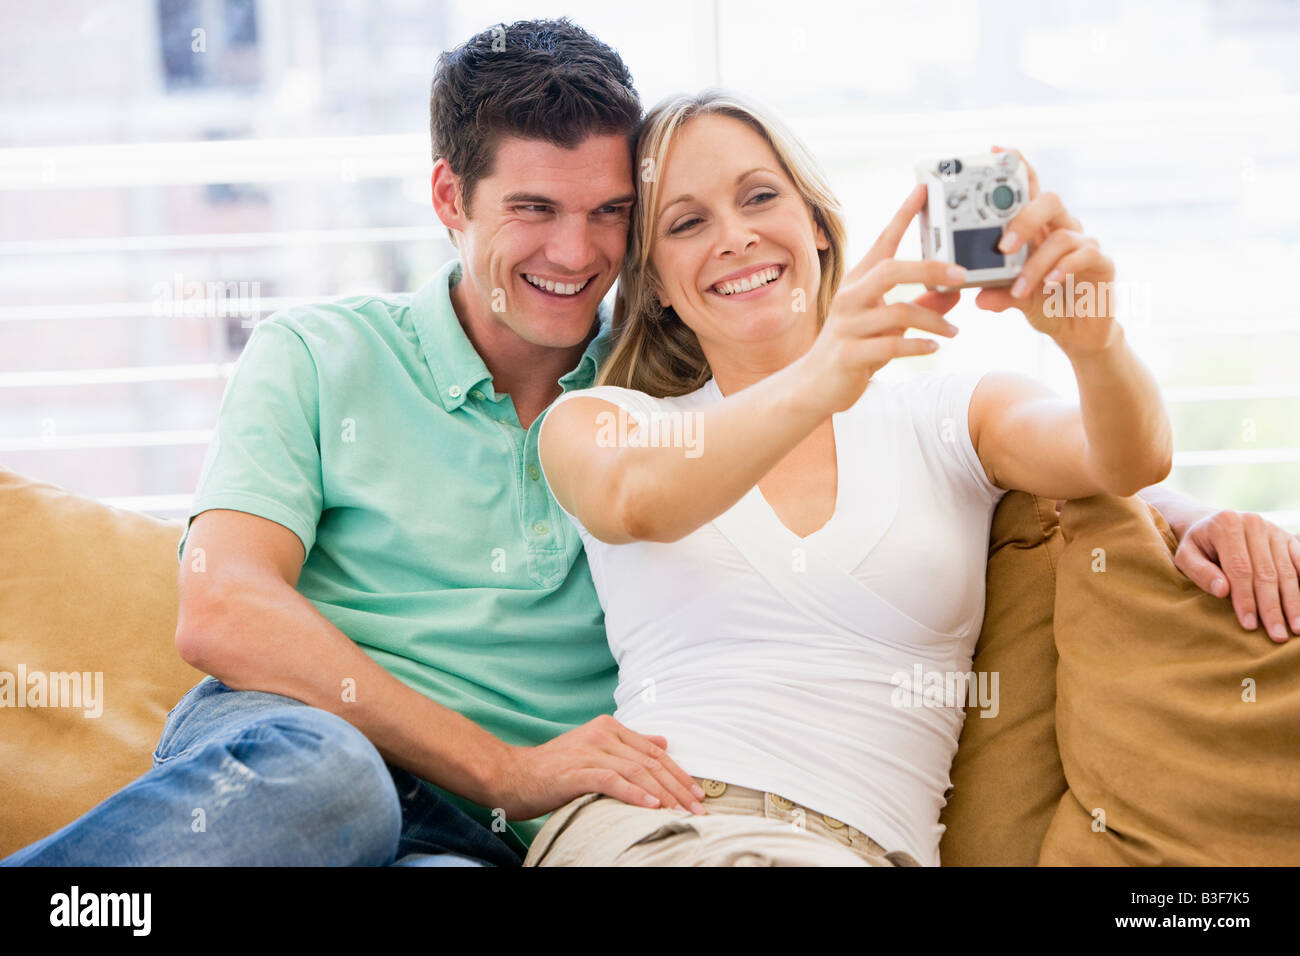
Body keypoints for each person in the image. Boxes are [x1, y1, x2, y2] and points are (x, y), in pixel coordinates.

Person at [4, 20, 1296, 869]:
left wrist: (1150, 458)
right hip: (343, 768)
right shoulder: (383, 370)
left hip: (508, 842)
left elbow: (1056, 462)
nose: (574, 253)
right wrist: (507, 766)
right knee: (329, 777)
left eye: (610, 214)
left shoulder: (768, 404)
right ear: (450, 199)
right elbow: (227, 609)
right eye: (535, 210)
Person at [524, 88, 1300, 868]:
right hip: (660, 832)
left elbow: (1127, 458)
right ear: (654, 282)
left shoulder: (948, 414)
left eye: (760, 197)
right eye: (687, 223)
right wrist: (824, 374)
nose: (735, 236)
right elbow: (637, 500)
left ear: (819, 230)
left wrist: (1094, 341)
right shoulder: (603, 421)